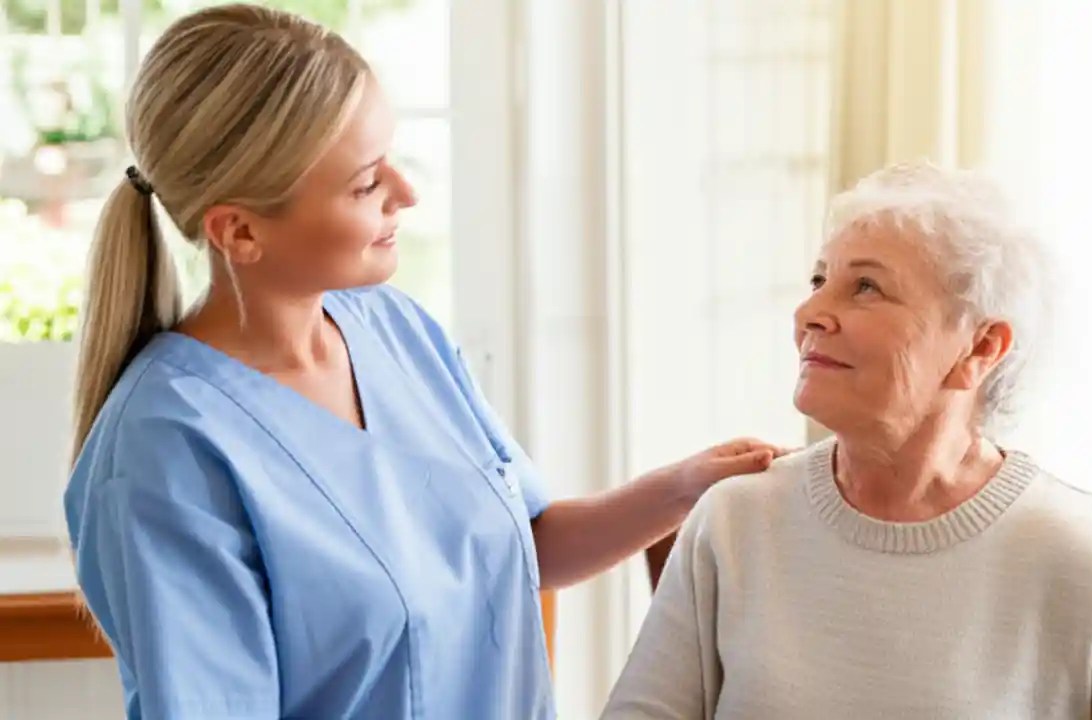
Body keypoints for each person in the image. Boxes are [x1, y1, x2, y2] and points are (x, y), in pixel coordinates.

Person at [62, 6, 784, 719]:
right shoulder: (164, 452)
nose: (405, 195)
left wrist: (680, 491)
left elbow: (517, 550)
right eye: (366, 184)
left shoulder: (399, 334)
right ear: (240, 231)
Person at [602, 161, 1092, 719]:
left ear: (980, 346)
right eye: (817, 280)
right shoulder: (736, 521)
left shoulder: (1089, 556)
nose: (809, 315)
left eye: (865, 287)